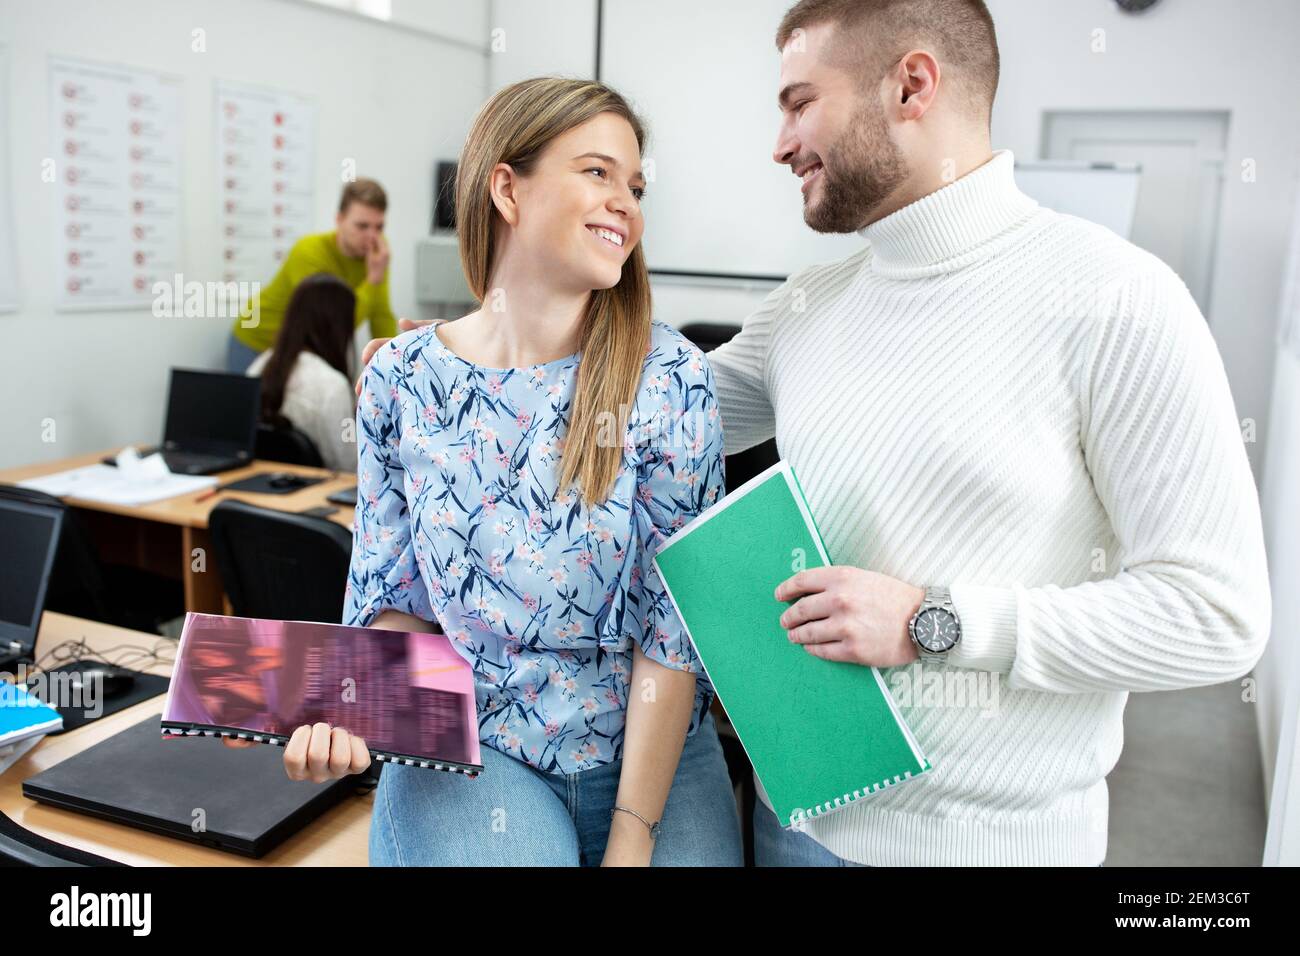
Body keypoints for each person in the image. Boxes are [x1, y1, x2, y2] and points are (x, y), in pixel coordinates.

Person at [360, 0, 1271, 868]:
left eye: (799, 103)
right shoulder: (807, 310)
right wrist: (438, 371)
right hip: (794, 827)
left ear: (911, 86)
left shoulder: (1116, 300)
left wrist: (935, 620)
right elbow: (612, 411)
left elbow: (1218, 617)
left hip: (991, 845)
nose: (780, 142)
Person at [230, 77, 743, 868]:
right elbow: (394, 600)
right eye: (598, 172)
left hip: (652, 747)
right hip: (476, 738)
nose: (626, 204)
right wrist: (348, 715)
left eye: (636, 187)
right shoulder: (401, 377)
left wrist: (631, 838)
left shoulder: (671, 377)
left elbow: (672, 634)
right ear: (507, 188)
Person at [225, 178, 396, 373]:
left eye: (379, 227)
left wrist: (393, 362)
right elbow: (330, 326)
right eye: (362, 226)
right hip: (257, 342)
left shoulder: (376, 253)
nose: (372, 236)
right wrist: (373, 280)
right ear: (339, 220)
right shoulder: (309, 252)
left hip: (300, 351)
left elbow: (381, 314)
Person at [245, 273, 359, 472]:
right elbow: (349, 465)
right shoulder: (332, 385)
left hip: (262, 482)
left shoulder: (259, 366)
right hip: (320, 488)